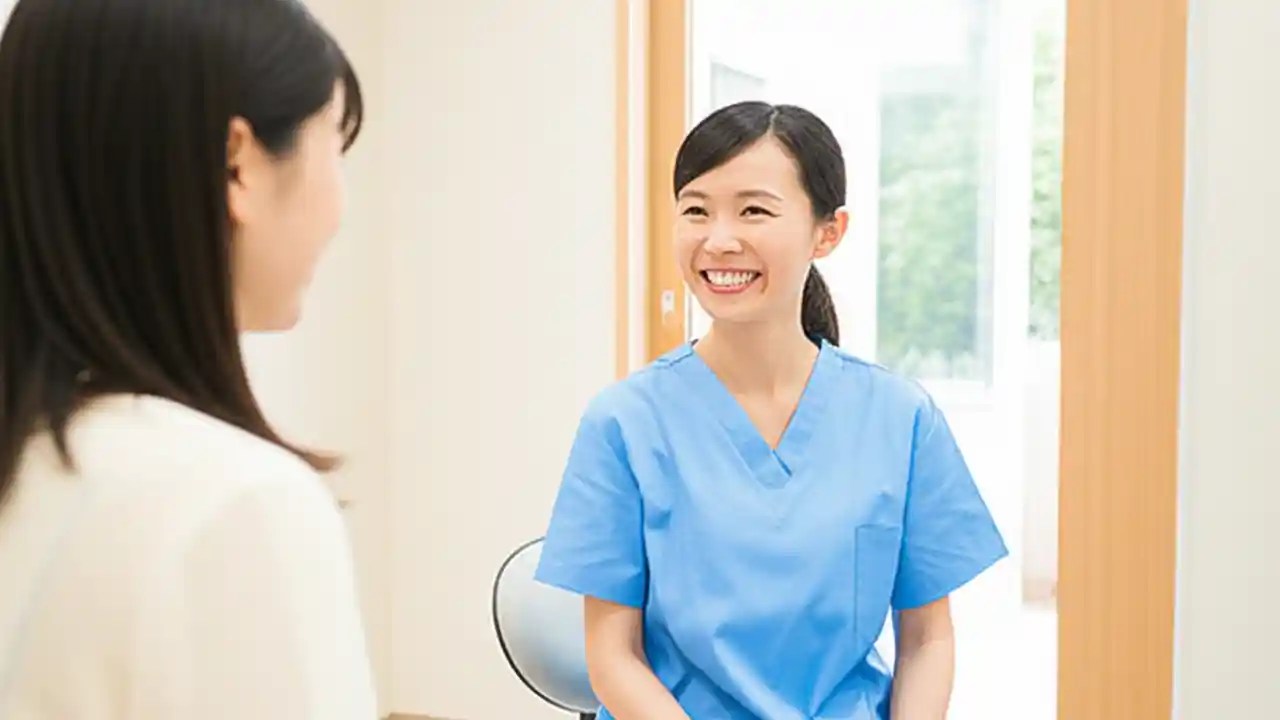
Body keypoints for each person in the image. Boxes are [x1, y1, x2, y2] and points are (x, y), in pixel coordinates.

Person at [535, 101, 1008, 719]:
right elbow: (612, 654)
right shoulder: (625, 423)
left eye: (754, 210)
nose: (719, 239)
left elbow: (927, 639)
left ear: (827, 231)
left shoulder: (900, 419)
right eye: (696, 210)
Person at [0, 0, 374, 717]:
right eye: (334, 147)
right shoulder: (236, 504)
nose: (340, 205)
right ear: (239, 164)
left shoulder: (32, 471)